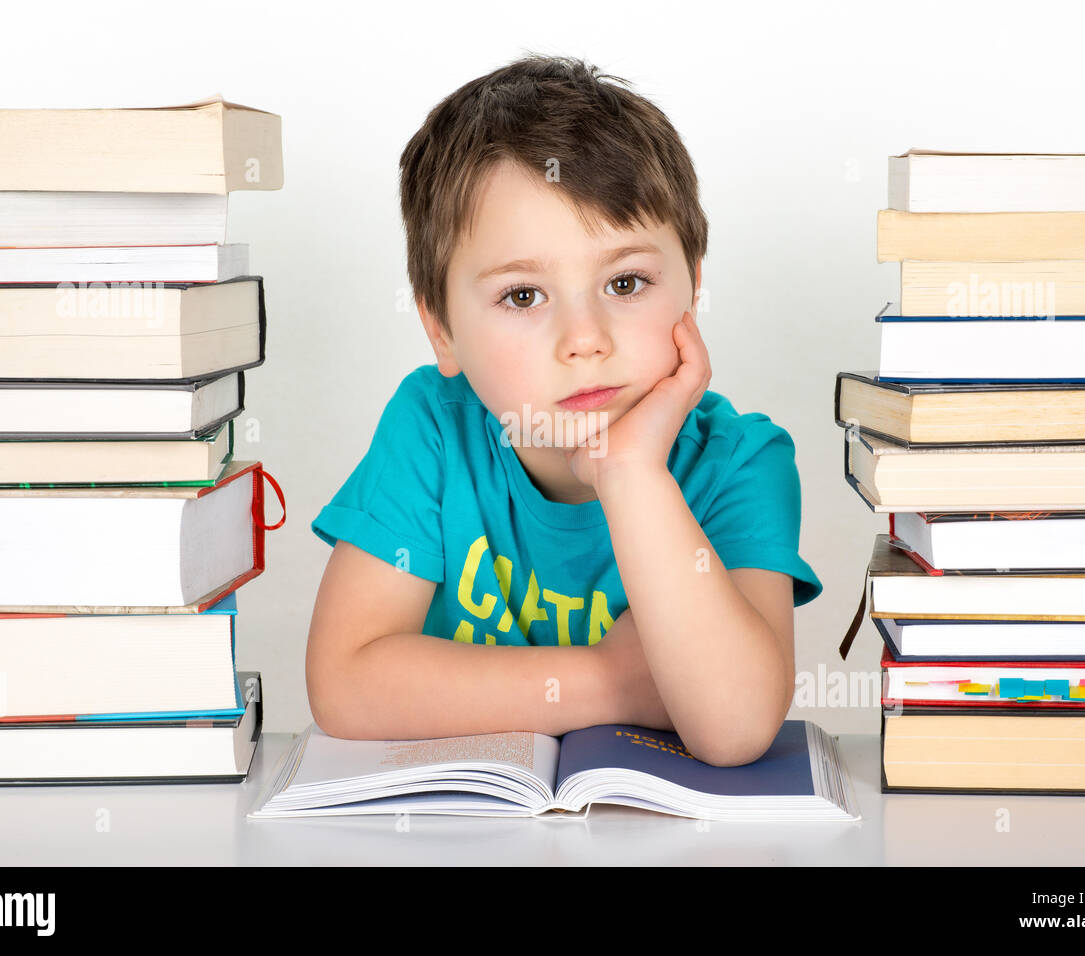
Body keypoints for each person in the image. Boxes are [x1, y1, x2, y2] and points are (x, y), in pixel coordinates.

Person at [305, 54, 821, 766]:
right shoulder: (432, 428)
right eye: (523, 296)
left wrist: (633, 471)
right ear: (442, 330)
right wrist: (615, 680)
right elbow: (344, 684)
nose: (585, 341)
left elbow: (733, 727)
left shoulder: (740, 463)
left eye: (627, 281)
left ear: (693, 288)